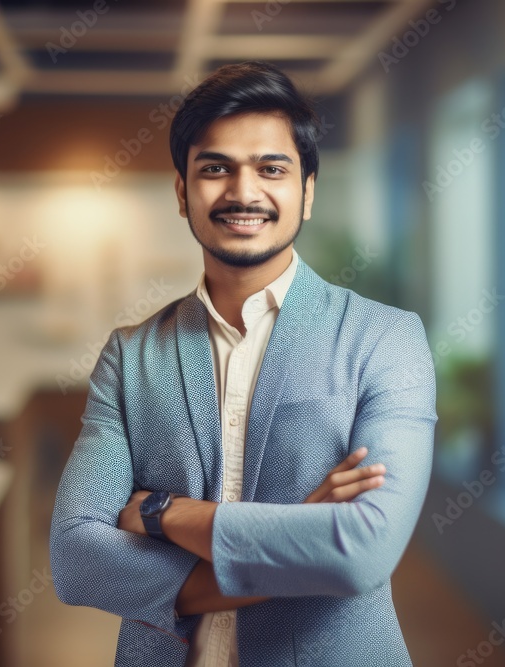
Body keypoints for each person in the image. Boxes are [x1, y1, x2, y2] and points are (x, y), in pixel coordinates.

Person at [50, 61, 437, 667]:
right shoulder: (130, 355)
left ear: (308, 191)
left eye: (271, 169)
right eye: (215, 169)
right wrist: (297, 539)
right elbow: (76, 558)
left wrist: (162, 512)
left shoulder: (384, 339)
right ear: (183, 193)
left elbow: (361, 551)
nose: (243, 192)